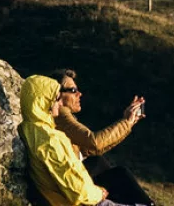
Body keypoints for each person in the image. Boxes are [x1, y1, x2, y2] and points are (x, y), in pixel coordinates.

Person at [50, 70, 153, 205]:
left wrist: (128, 122)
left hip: (74, 177)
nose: (79, 94)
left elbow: (92, 148)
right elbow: (95, 142)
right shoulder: (62, 114)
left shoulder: (62, 114)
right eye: (73, 90)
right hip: (72, 182)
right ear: (58, 94)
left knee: (101, 163)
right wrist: (126, 122)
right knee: (119, 174)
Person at [21, 75, 121, 206]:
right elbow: (77, 190)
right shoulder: (49, 140)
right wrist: (98, 193)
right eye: (57, 99)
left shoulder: (27, 128)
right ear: (45, 101)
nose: (60, 103)